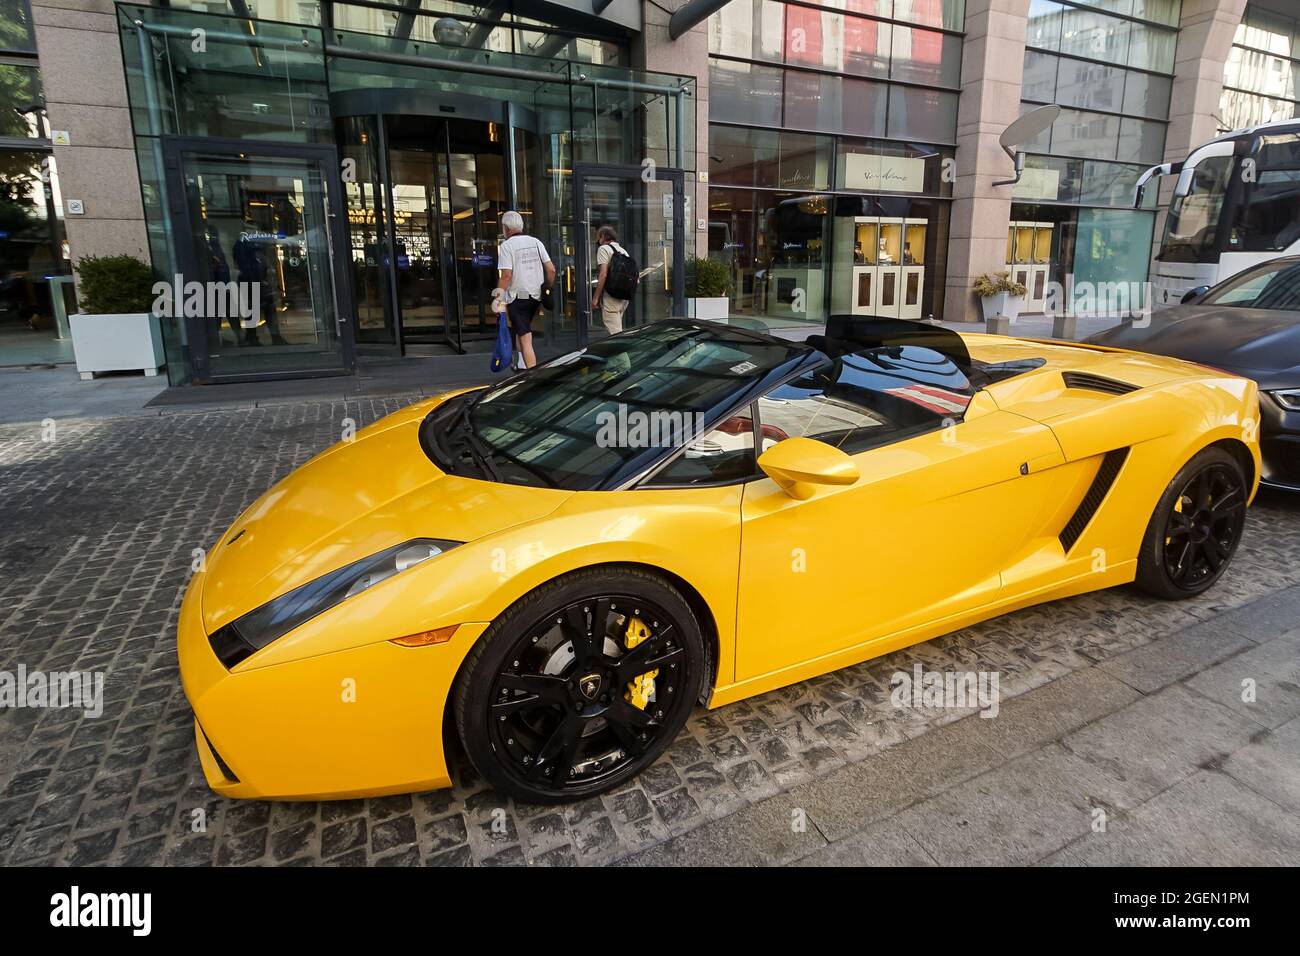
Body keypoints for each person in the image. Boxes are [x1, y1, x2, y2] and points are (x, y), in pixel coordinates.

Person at [496, 209, 555, 370]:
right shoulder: (536, 242)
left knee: (525, 337)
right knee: (520, 329)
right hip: (535, 297)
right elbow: (551, 270)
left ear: (506, 228)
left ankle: (532, 374)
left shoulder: (507, 246)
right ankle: (521, 365)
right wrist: (547, 287)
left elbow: (506, 276)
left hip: (517, 298)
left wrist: (497, 298)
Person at [593, 225, 630, 336]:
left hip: (611, 297)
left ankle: (624, 353)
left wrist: (595, 298)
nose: (598, 241)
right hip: (623, 297)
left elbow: (603, 274)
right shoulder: (622, 250)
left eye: (598, 238)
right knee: (616, 329)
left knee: (616, 335)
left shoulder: (603, 249)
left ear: (603, 236)